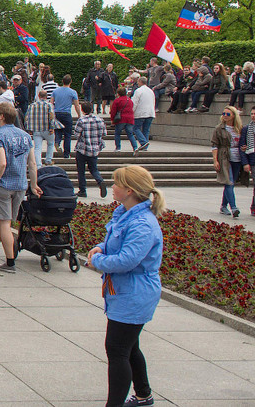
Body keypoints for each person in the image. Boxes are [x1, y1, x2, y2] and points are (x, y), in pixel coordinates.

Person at [86, 166, 165, 407]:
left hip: (135, 293)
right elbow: (117, 241)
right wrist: (102, 246)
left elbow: (128, 260)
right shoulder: (126, 213)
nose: (112, 187)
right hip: (126, 292)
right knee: (129, 346)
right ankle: (143, 395)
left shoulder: (142, 223)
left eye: (116, 184)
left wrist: (97, 260)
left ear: (129, 190)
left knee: (118, 349)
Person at [0, 102, 42, 274]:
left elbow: (1, 162)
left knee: (4, 223)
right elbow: (32, 163)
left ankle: (10, 261)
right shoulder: (25, 135)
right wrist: (33, 184)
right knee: (6, 220)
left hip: (4, 185)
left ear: (2, 116)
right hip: (20, 184)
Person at [212, 105, 245, 217]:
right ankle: (234, 207)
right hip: (224, 157)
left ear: (233, 116)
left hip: (237, 158)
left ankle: (223, 206)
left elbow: (243, 142)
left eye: (227, 114)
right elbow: (214, 145)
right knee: (229, 181)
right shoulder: (219, 128)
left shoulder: (240, 128)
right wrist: (215, 160)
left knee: (231, 182)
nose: (225, 116)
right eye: (223, 113)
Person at [74, 101, 109, 198]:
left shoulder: (81, 120)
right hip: (95, 149)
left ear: (82, 109)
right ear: (92, 109)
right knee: (94, 169)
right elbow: (104, 133)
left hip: (82, 149)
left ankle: (82, 190)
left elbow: (76, 134)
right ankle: (100, 181)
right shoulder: (100, 120)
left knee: (81, 170)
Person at [51, 75, 81, 157]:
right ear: (70, 82)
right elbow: (76, 105)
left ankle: (57, 141)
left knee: (58, 131)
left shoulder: (55, 91)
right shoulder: (73, 92)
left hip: (57, 113)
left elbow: (51, 103)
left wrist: (52, 113)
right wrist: (79, 115)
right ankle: (66, 154)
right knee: (67, 135)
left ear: (62, 81)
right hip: (66, 114)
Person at [26, 88, 57, 166]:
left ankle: (38, 164)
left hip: (36, 129)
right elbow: (51, 117)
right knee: (50, 144)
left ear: (39, 96)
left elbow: (27, 117)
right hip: (47, 128)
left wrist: (29, 128)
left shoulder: (32, 105)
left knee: (37, 147)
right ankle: (48, 160)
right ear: (46, 97)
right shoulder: (49, 105)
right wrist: (52, 127)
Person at [110, 86, 139, 152]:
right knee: (130, 134)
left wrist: (112, 120)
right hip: (129, 119)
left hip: (121, 119)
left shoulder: (117, 100)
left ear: (118, 93)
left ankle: (118, 148)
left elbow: (113, 111)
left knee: (117, 133)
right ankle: (135, 147)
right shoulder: (129, 100)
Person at [131, 77, 154, 151]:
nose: (137, 83)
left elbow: (134, 103)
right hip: (150, 112)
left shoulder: (138, 91)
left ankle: (143, 142)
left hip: (140, 113)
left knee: (136, 128)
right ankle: (145, 145)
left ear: (140, 81)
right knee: (146, 130)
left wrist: (132, 112)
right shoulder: (151, 91)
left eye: (138, 82)